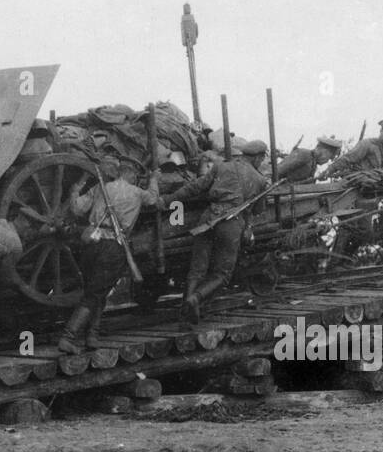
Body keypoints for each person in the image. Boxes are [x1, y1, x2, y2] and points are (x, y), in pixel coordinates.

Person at [58, 159, 161, 352]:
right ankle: (68, 337)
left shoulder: (101, 187)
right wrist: (154, 179)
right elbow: (153, 199)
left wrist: (74, 191)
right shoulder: (137, 192)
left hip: (90, 244)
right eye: (137, 177)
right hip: (113, 246)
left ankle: (92, 335)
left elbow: (77, 208)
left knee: (96, 290)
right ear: (132, 175)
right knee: (96, 292)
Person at [168, 139, 270, 323]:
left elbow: (196, 187)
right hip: (231, 224)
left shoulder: (221, 166)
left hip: (208, 218)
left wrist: (170, 199)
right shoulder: (260, 180)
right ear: (258, 158)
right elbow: (258, 211)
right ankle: (195, 299)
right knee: (222, 274)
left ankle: (187, 309)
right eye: (262, 159)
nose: (261, 163)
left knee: (197, 269)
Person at [324, 118, 383, 195]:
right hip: (358, 186)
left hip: (375, 188)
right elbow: (348, 158)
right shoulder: (367, 144)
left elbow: (381, 170)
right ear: (381, 131)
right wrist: (330, 170)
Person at [276, 136, 343, 184]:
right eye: (329, 158)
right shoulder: (304, 154)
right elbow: (277, 171)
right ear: (324, 152)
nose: (327, 161)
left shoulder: (313, 162)